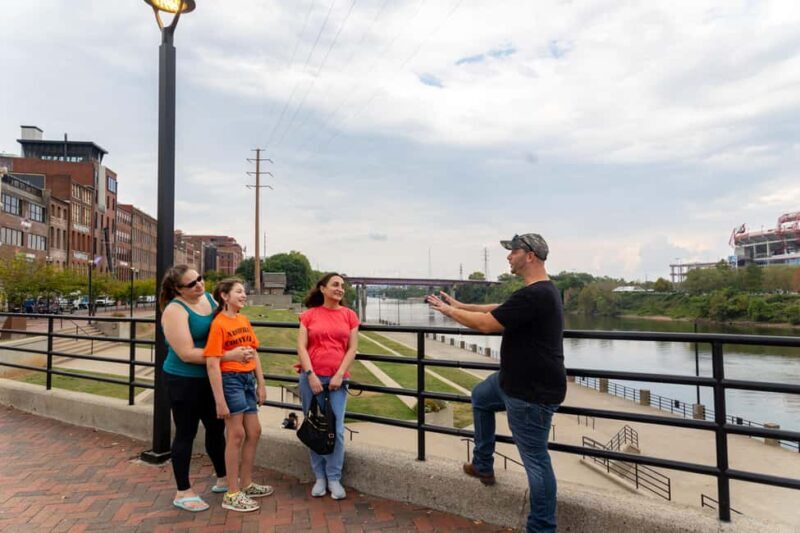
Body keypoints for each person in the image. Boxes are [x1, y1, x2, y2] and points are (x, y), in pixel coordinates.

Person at [427, 233, 566, 533]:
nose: (508, 256)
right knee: (480, 397)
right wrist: (460, 303)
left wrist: (448, 311)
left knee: (536, 460)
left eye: (512, 251)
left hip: (531, 391)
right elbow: (495, 308)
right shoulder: (538, 291)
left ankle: (542, 527)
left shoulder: (536, 294)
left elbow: (486, 324)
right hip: (511, 381)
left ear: (529, 256)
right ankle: (483, 463)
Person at [159, 265, 255, 512]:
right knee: (186, 433)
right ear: (177, 289)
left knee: (216, 429)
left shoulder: (210, 299)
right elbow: (186, 353)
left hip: (212, 378)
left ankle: (224, 479)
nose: (199, 285)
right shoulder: (174, 310)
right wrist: (227, 355)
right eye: (191, 284)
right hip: (183, 380)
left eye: (199, 279)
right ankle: (183, 490)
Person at [205, 278, 273, 512]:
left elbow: (254, 353)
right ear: (225, 296)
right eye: (239, 292)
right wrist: (219, 400)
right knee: (236, 434)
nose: (244, 295)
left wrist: (261, 384)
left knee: (254, 431)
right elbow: (212, 363)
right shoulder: (219, 324)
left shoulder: (243, 320)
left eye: (244, 292)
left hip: (247, 380)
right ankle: (232, 493)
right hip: (230, 381)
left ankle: (246, 483)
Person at [296, 273, 359, 500]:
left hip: (337, 382)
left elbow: (352, 348)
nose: (340, 289)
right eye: (335, 285)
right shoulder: (309, 315)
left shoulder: (349, 315)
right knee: (315, 427)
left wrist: (339, 375)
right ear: (322, 288)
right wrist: (311, 375)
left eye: (342, 286)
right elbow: (302, 348)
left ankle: (334, 477)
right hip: (310, 378)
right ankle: (319, 477)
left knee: (337, 430)